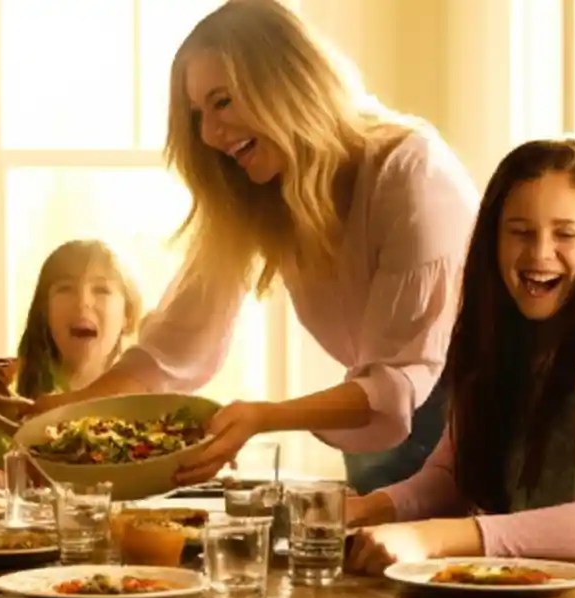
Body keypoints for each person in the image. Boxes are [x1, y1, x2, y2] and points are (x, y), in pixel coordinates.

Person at [35, 0, 479, 495]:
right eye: (198, 114)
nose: (209, 134)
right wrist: (69, 410)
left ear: (286, 83)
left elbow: (399, 381)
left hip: (476, 423)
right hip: (374, 422)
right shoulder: (269, 190)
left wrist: (263, 417)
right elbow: (173, 345)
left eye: (222, 102)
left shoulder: (413, 177)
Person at [343, 139, 575, 579]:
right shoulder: (496, 339)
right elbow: (451, 478)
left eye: (565, 234)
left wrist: (427, 537)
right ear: (493, 240)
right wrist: (361, 510)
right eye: (520, 232)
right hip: (523, 594)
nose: (539, 253)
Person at [0, 239, 141, 493]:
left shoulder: (146, 400)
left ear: (128, 315)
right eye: (65, 288)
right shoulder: (6, 392)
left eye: (101, 290)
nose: (83, 302)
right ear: (44, 312)